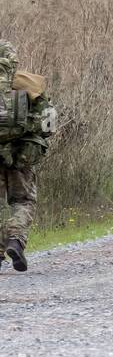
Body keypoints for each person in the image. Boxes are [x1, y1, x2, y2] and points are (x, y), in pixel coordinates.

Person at [0, 40, 55, 272]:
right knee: (23, 200)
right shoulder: (29, 83)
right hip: (21, 154)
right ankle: (15, 240)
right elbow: (49, 122)